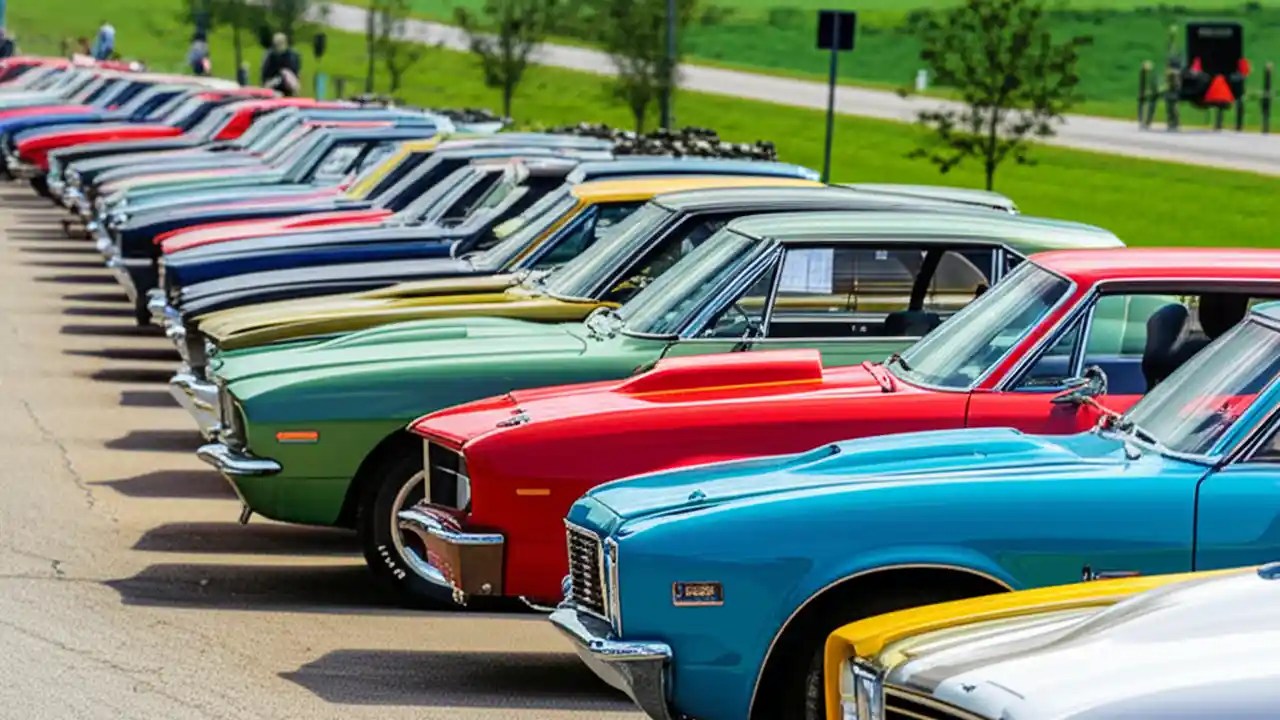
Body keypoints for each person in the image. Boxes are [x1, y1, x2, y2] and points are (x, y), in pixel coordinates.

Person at [261, 32, 301, 97]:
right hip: (273, 83)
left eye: (280, 43)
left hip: (288, 84)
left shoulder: (291, 56)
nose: (278, 45)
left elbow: (295, 73)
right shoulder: (269, 56)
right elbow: (265, 74)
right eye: (276, 43)